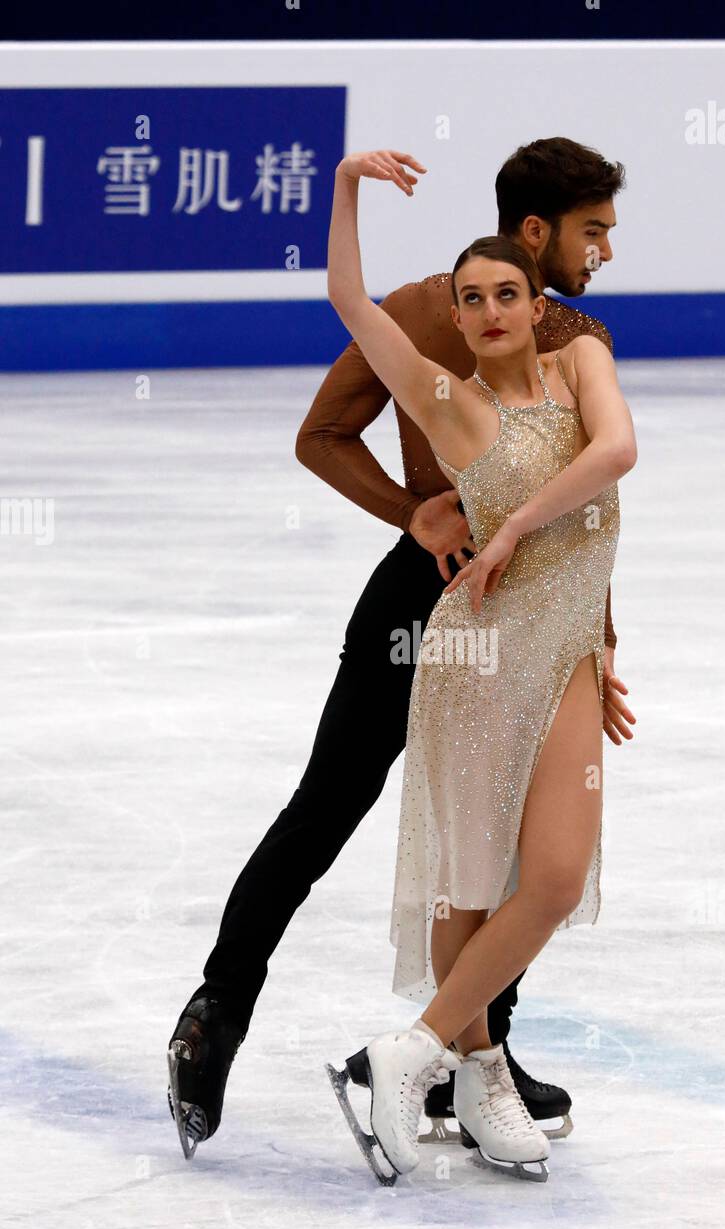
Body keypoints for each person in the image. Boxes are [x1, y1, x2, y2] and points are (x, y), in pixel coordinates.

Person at [167, 136, 636, 1161]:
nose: (603, 249)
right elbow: (321, 434)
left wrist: (595, 637)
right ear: (532, 228)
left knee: (507, 827)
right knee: (335, 799)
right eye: (590, 229)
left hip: (533, 605)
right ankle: (219, 1009)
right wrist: (415, 512)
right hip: (428, 599)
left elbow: (586, 510)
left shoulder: (573, 340)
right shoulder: (431, 310)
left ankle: (477, 1058)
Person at [323, 147, 636, 1185]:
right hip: (475, 654)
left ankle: (403, 1053)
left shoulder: (581, 361)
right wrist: (344, 184)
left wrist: (515, 544)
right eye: (471, 299)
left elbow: (613, 455)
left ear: (533, 299)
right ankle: (476, 1068)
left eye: (507, 292)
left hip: (567, 654)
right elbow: (349, 300)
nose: (492, 309)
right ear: (455, 320)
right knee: (468, 886)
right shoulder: (445, 397)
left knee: (547, 879)